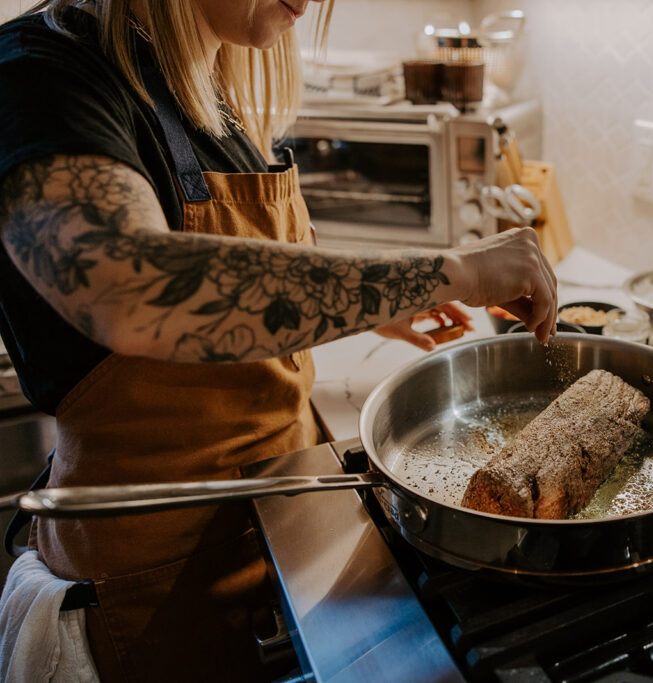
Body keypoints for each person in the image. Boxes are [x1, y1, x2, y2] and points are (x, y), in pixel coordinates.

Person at [0, 0, 557, 680]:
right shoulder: (41, 69)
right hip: (148, 588)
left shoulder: (204, 85)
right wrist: (453, 271)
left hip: (267, 537)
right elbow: (129, 286)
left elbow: (247, 269)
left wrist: (382, 303)